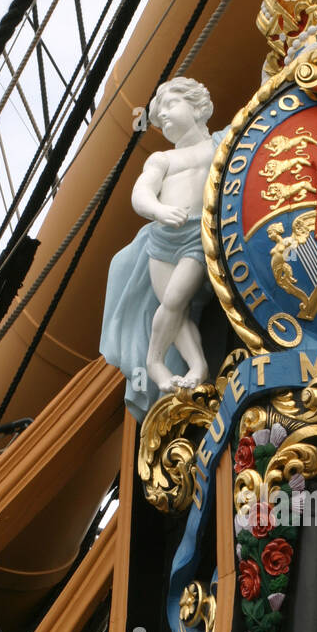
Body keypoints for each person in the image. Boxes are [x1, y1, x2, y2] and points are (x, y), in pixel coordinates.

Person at [99, 77, 221, 420]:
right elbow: (141, 194)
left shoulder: (220, 144)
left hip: (197, 236)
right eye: (158, 113)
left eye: (171, 106)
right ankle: (191, 367)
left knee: (174, 301)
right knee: (176, 310)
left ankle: (157, 361)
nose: (163, 116)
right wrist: (159, 211)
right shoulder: (162, 158)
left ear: (198, 107)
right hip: (163, 240)